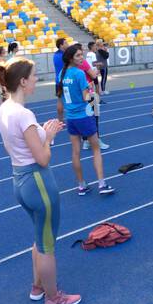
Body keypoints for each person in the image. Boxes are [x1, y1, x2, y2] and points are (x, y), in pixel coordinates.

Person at [0, 57, 79, 304]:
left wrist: (40, 134)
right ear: (23, 81)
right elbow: (43, 158)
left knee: (39, 238)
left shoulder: (4, 108)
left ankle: (37, 287)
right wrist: (48, 137)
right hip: (38, 181)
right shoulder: (24, 114)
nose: (38, 79)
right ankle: (53, 298)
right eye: (35, 75)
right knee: (48, 245)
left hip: (20, 181)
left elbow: (11, 147)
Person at [58, 44, 114, 197]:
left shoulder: (61, 74)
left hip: (71, 118)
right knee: (96, 150)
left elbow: (60, 100)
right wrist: (90, 88)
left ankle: (81, 185)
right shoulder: (79, 73)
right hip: (84, 115)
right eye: (78, 56)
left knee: (76, 153)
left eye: (82, 55)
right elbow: (86, 98)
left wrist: (60, 118)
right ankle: (102, 184)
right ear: (70, 58)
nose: (81, 58)